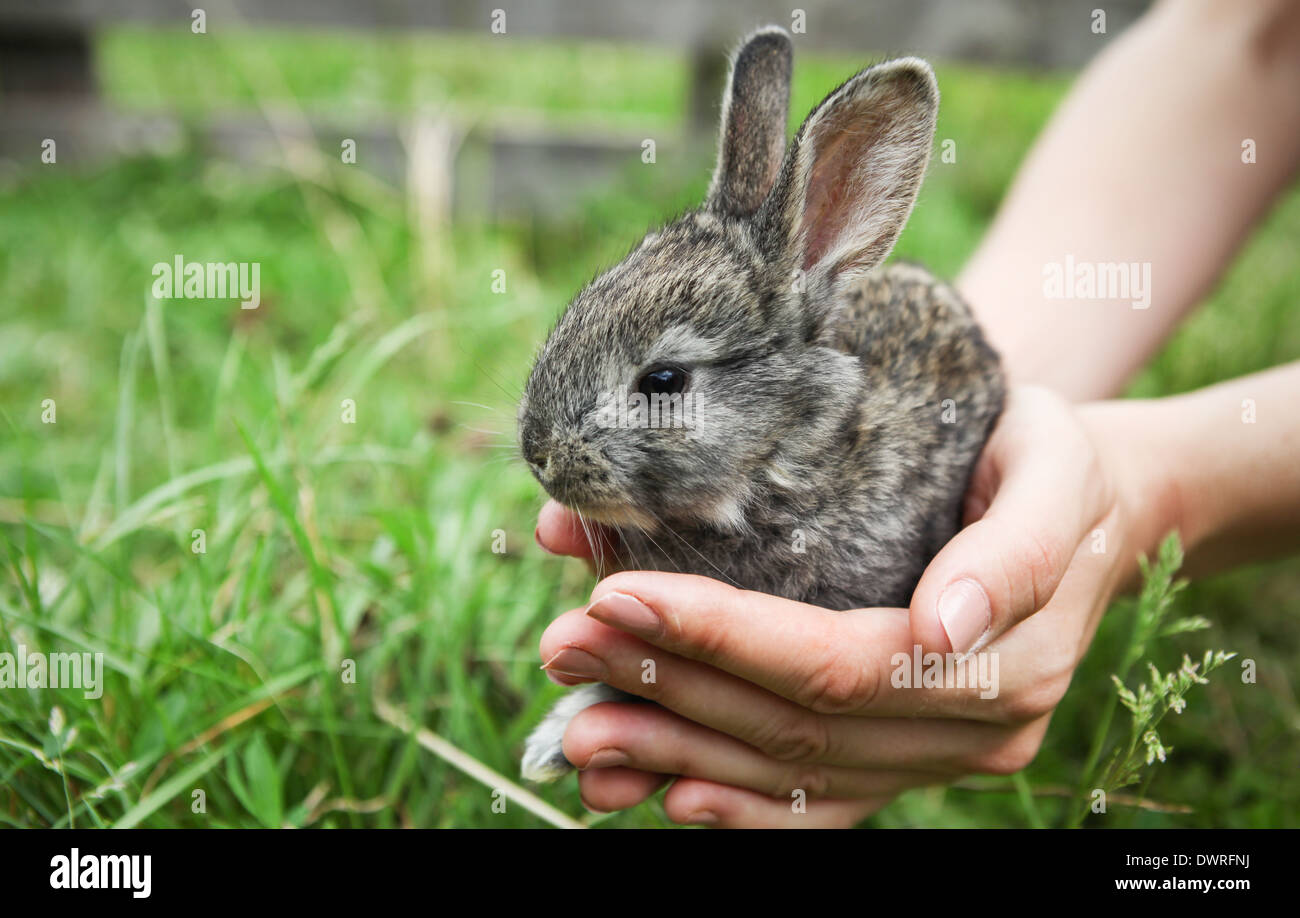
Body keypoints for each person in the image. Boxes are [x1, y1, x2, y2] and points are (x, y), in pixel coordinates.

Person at [531, 0, 1300, 827]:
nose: (546, 454)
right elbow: (1259, 30)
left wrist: (1145, 493)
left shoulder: (866, 504)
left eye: (664, 383)